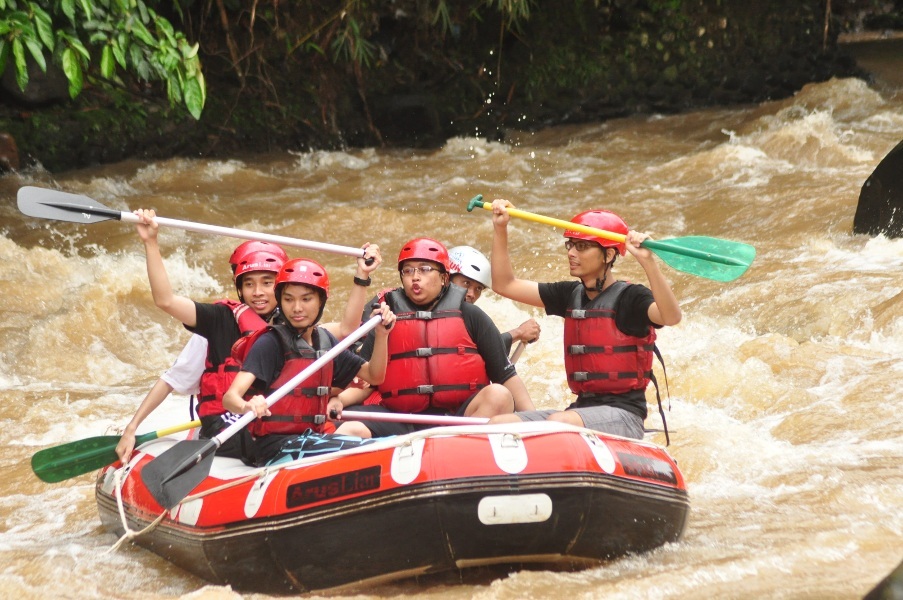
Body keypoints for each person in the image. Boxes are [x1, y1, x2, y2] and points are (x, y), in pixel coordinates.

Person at [486, 199, 681, 440]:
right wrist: (501, 228)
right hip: (581, 410)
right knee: (497, 423)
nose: (571, 253)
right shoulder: (569, 294)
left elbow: (671, 317)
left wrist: (648, 262)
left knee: (559, 422)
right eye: (570, 245)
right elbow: (504, 285)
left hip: (624, 415)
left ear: (608, 255)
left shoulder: (631, 297)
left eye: (581, 247)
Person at [345, 237, 534, 438]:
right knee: (349, 427)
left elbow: (506, 376)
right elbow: (365, 382)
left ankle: (458, 451)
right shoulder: (385, 317)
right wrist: (338, 401)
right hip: (401, 419)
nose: (415, 277)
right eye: (408, 271)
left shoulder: (471, 316)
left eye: (425, 269)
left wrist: (534, 419)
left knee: (499, 395)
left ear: (444, 278)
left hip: (458, 420)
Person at [222, 258, 395, 465]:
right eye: (288, 299)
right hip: (274, 447)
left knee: (391, 444)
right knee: (372, 451)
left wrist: (382, 335)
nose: (296, 308)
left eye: (306, 299)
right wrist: (247, 406)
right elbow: (230, 398)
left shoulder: (325, 341)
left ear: (321, 301)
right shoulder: (271, 342)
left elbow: (374, 375)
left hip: (311, 438)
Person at [447, 245, 541, 355]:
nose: (472, 294)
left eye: (478, 288)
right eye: (466, 283)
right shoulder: (431, 309)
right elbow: (481, 353)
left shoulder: (471, 317)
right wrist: (518, 333)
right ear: (446, 278)